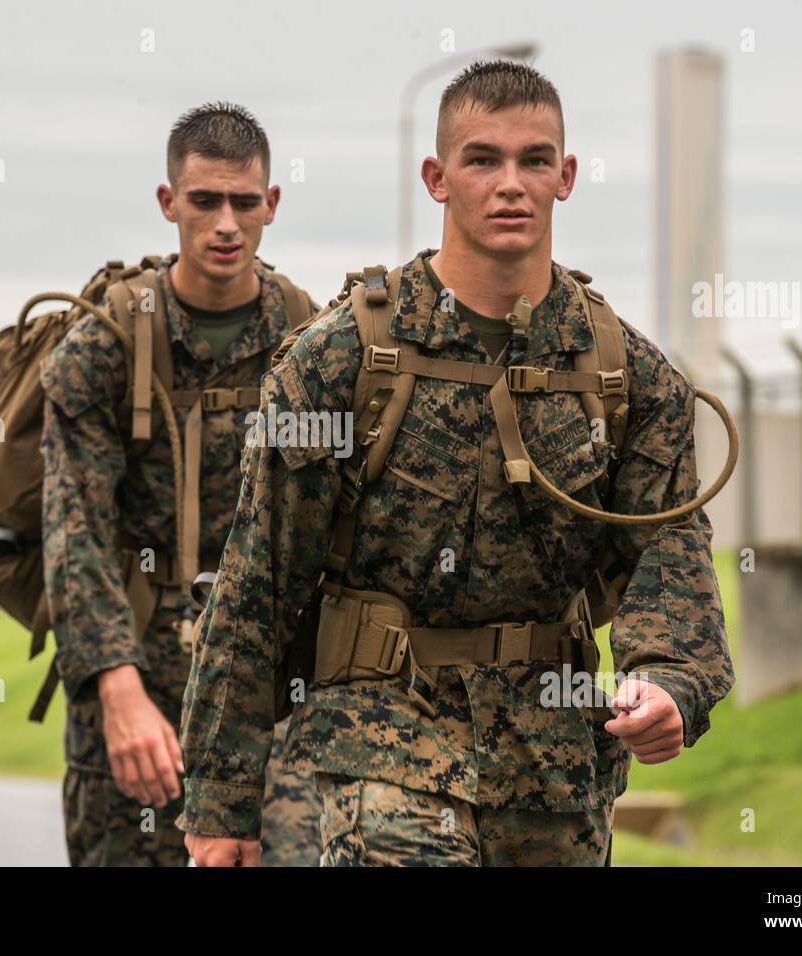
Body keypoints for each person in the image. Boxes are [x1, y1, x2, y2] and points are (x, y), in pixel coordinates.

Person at [177, 61, 736, 866]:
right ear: (437, 177)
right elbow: (259, 581)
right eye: (482, 160)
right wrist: (222, 799)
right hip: (384, 748)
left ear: (566, 177)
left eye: (534, 160)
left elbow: (667, 557)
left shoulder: (627, 375)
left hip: (558, 767)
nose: (510, 184)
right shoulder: (339, 360)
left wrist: (668, 681)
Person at [39, 103, 322, 866]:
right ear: (170, 204)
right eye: (204, 202)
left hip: (270, 683)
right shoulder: (103, 344)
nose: (225, 224)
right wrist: (116, 688)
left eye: (244, 202)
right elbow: (75, 536)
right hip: (136, 666)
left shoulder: (313, 343)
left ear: (272, 205)